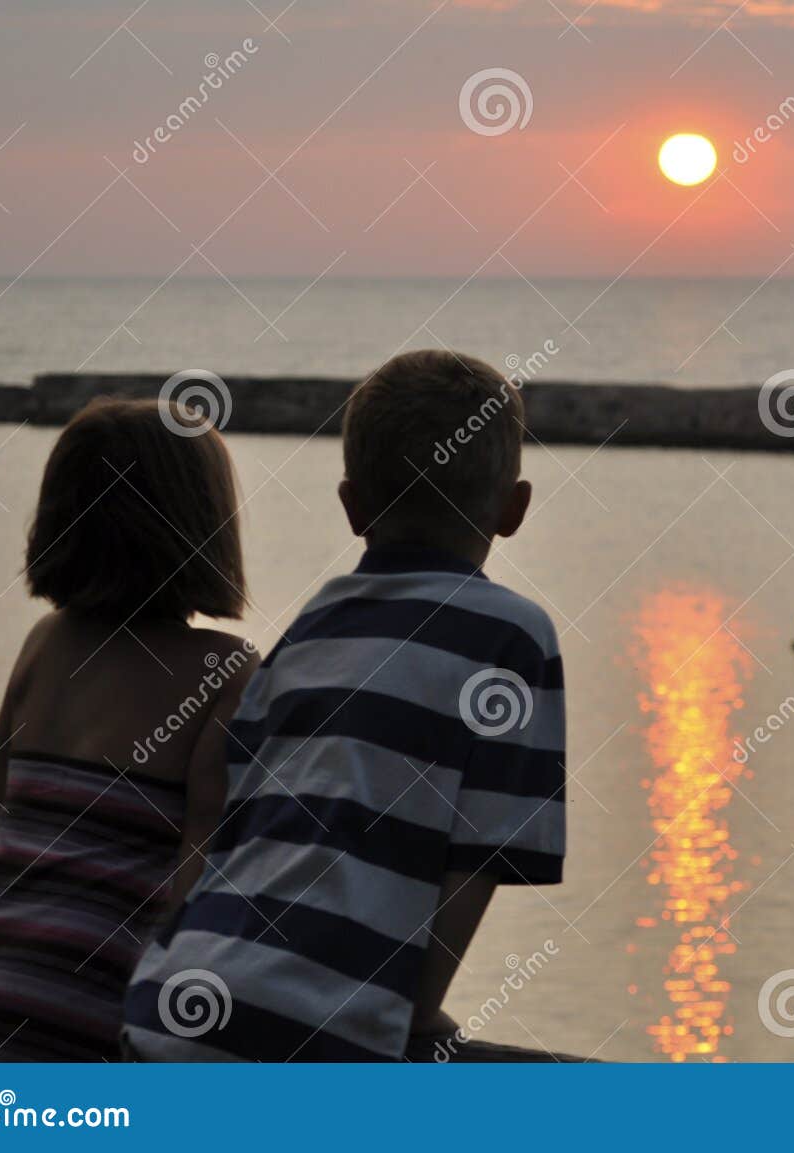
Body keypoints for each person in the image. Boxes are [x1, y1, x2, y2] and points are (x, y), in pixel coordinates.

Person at [123, 350, 566, 1061]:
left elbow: (235, 816)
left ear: (351, 505)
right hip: (310, 1028)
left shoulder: (313, 625)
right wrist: (414, 1012)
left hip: (170, 997)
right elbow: (483, 854)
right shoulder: (513, 637)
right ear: (515, 508)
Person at [0, 398, 256, 1062]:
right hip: (88, 1011)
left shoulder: (45, 644)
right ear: (207, 526)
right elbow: (198, 877)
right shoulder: (226, 673)